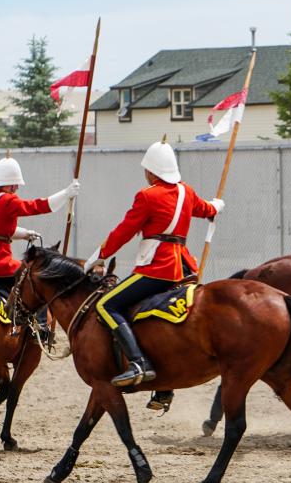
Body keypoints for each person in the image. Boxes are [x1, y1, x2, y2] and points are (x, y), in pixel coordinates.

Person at [84, 139, 222, 396]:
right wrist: (216, 206)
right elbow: (205, 210)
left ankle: (138, 362)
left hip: (158, 268)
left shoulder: (147, 196)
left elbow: (124, 231)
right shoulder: (186, 192)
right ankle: (163, 387)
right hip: (184, 269)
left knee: (106, 305)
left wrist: (99, 255)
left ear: (151, 171)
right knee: (153, 317)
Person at [0, 156, 80, 301]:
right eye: (16, 184)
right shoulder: (9, 200)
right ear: (9, 184)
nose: (17, 187)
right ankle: (42, 323)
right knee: (36, 279)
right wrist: (66, 194)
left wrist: (25, 234)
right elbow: (37, 206)